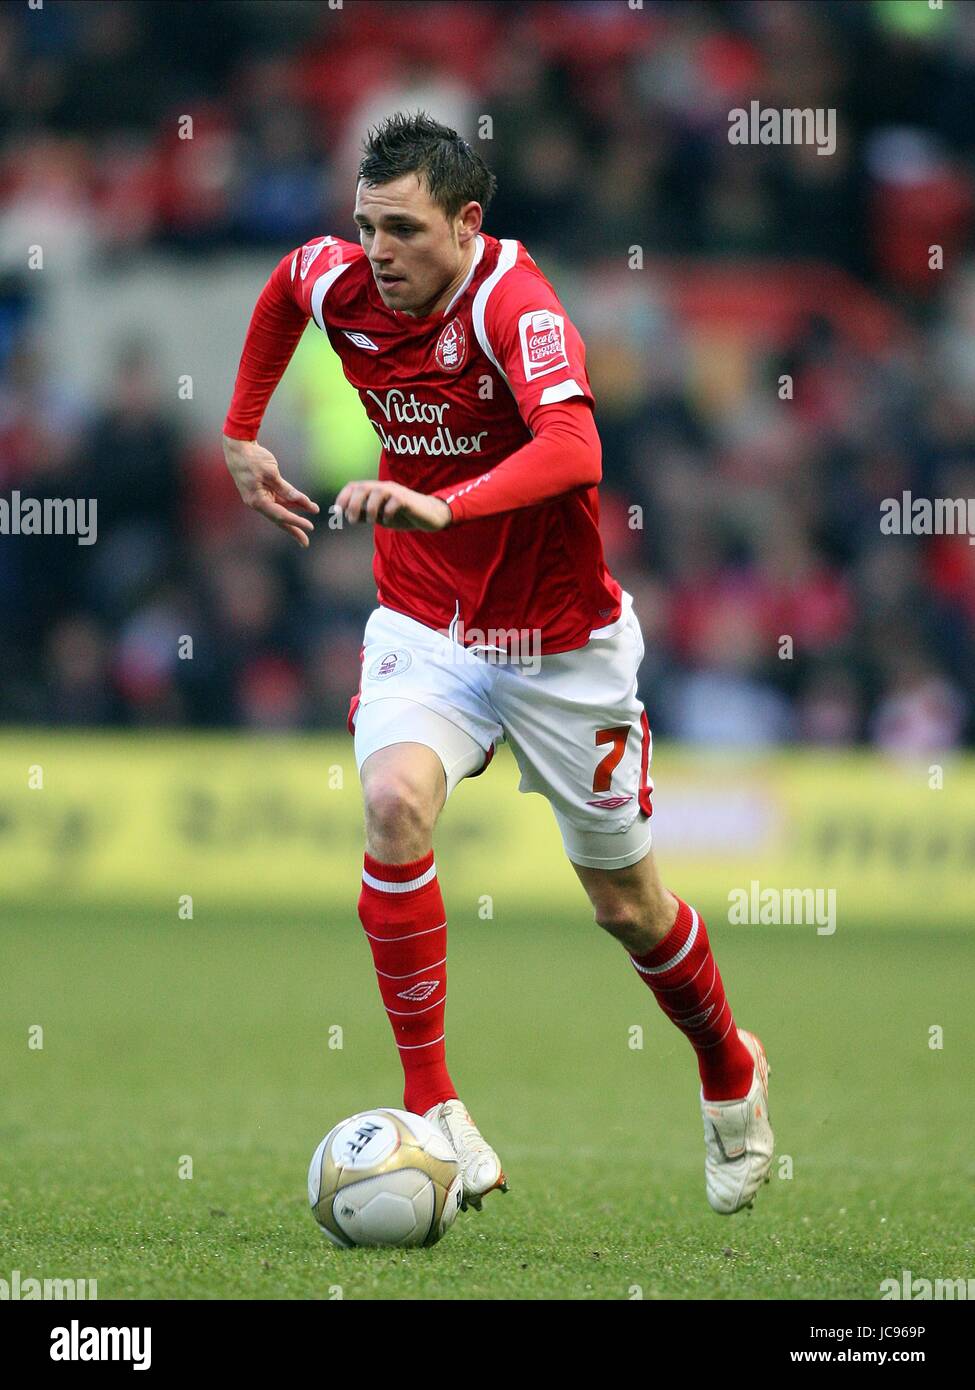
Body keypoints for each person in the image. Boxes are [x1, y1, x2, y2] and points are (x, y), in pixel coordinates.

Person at [222, 111, 773, 1216]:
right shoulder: (340, 277)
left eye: (406, 231)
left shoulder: (512, 302)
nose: (378, 251)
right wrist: (240, 431)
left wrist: (444, 501)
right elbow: (287, 285)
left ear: (468, 225)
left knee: (628, 906)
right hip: (426, 622)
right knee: (393, 805)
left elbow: (576, 449)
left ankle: (728, 1067)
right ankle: (436, 1105)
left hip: (560, 644)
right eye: (367, 225)